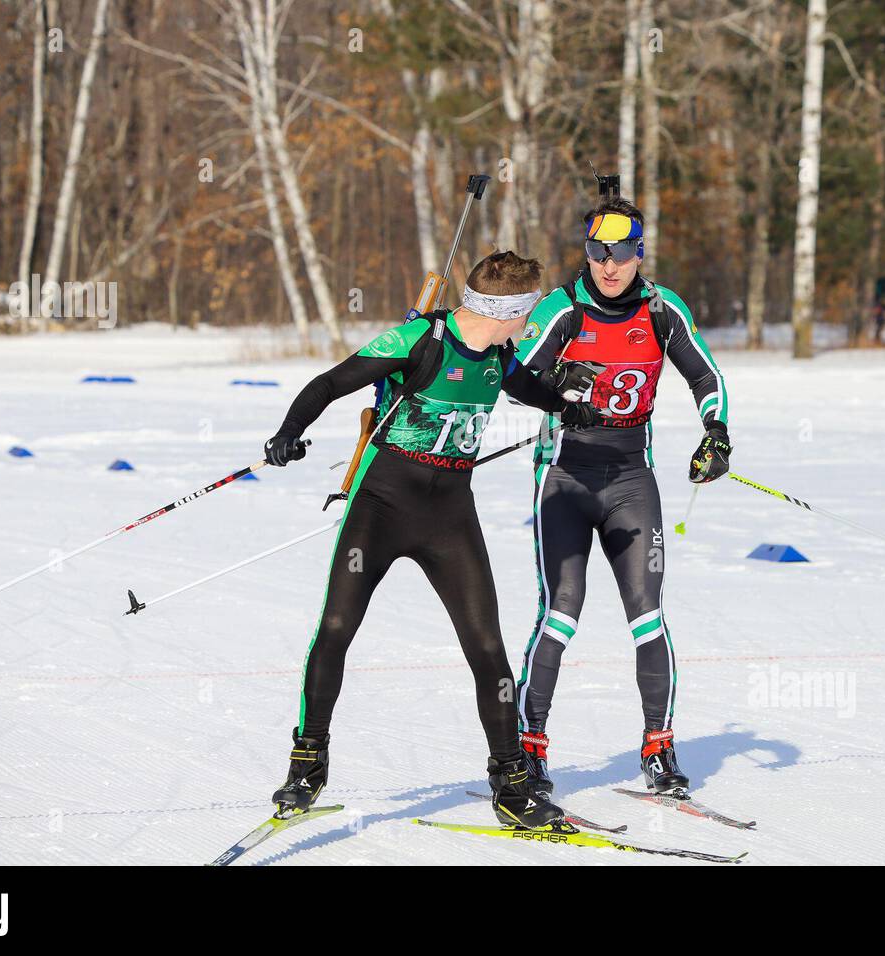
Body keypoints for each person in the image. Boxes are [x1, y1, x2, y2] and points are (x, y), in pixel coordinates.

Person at [261, 251, 599, 829]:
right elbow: (330, 382)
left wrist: (566, 398)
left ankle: (512, 784)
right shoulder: (420, 339)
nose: (533, 319)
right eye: (530, 308)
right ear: (511, 309)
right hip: (381, 505)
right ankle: (307, 764)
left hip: (450, 517)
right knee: (337, 629)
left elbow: (531, 390)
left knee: (486, 648)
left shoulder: (501, 352)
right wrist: (290, 433)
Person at [512, 197, 732, 797]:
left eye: (622, 253)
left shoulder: (662, 310)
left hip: (631, 478)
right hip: (564, 477)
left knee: (648, 613)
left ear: (640, 252)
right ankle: (528, 748)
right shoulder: (562, 309)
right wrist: (558, 385)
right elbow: (514, 376)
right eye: (596, 252)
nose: (609, 266)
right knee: (562, 610)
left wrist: (716, 433)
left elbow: (706, 376)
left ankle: (658, 746)